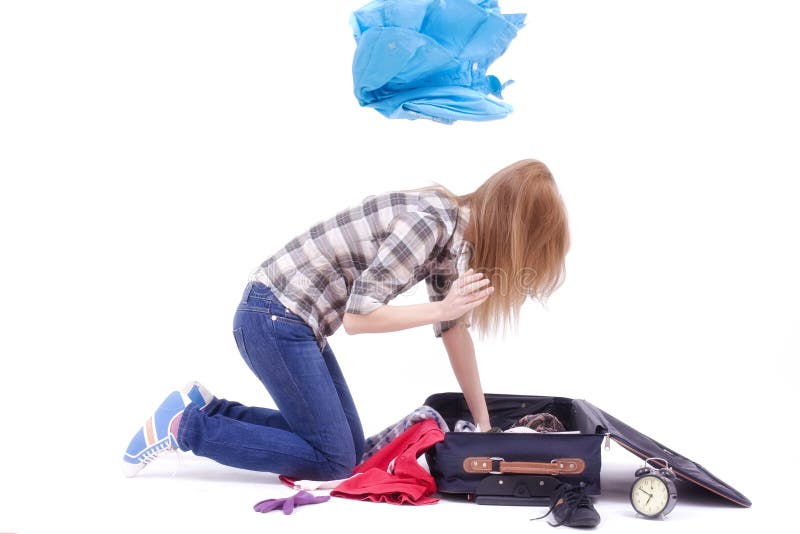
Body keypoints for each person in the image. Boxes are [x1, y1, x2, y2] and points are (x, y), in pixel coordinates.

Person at [122, 159, 570, 480]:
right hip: (273, 317)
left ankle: (209, 408)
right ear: (516, 229)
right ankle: (187, 427)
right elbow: (359, 318)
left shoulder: (453, 237)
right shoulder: (431, 221)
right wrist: (442, 308)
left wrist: (485, 424)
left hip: (293, 323)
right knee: (334, 461)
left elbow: (454, 332)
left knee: (348, 450)